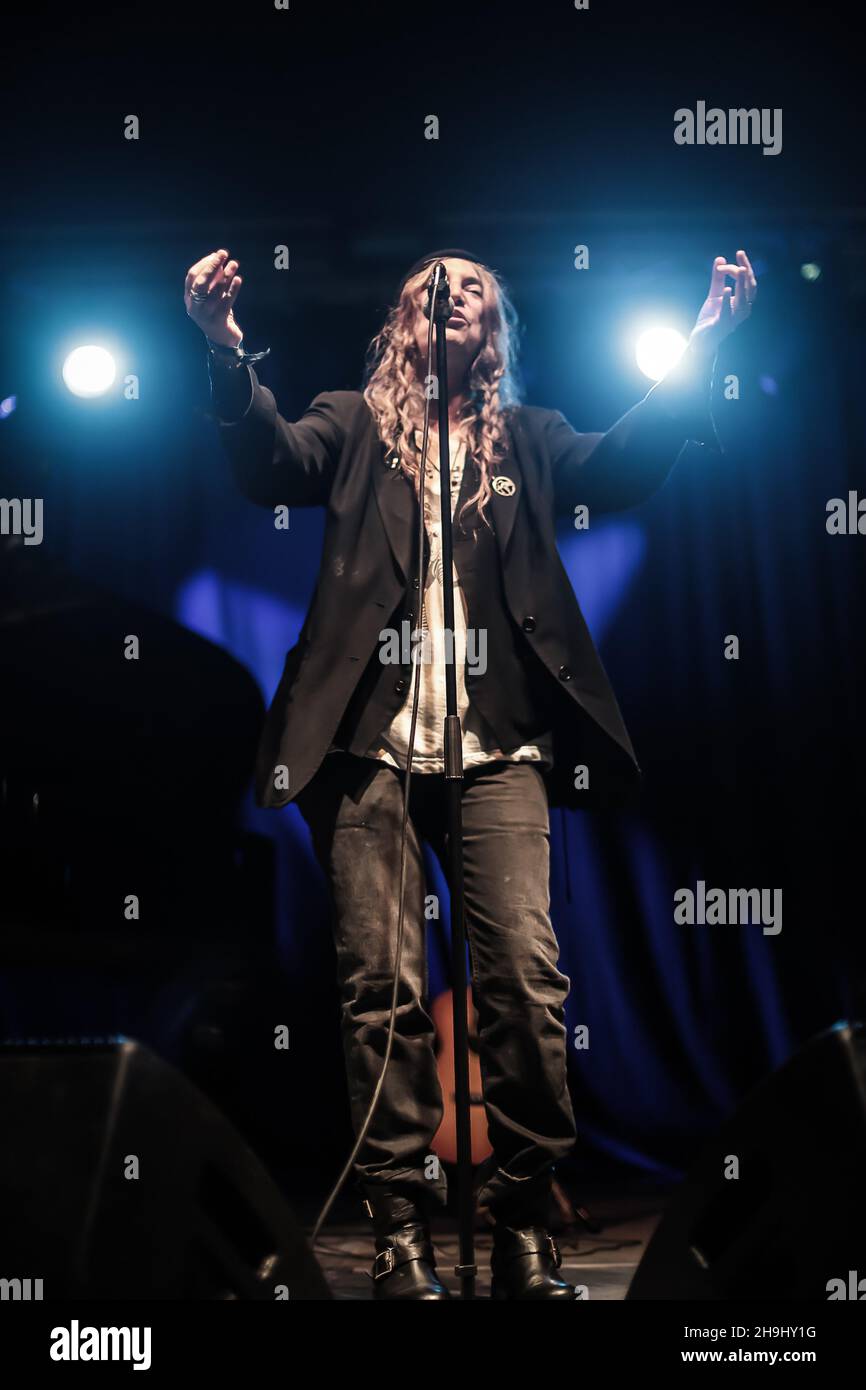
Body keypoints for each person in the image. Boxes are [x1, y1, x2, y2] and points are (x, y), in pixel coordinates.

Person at [185, 245, 756, 1299]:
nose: (451, 301)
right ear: (404, 322)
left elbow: (623, 462)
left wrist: (703, 343)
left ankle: (522, 1221)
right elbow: (267, 461)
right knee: (381, 990)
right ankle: (397, 1223)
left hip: (499, 748)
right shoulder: (350, 425)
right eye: (431, 291)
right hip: (368, 749)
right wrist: (223, 348)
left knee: (526, 984)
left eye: (473, 292)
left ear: (491, 331)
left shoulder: (527, 441)